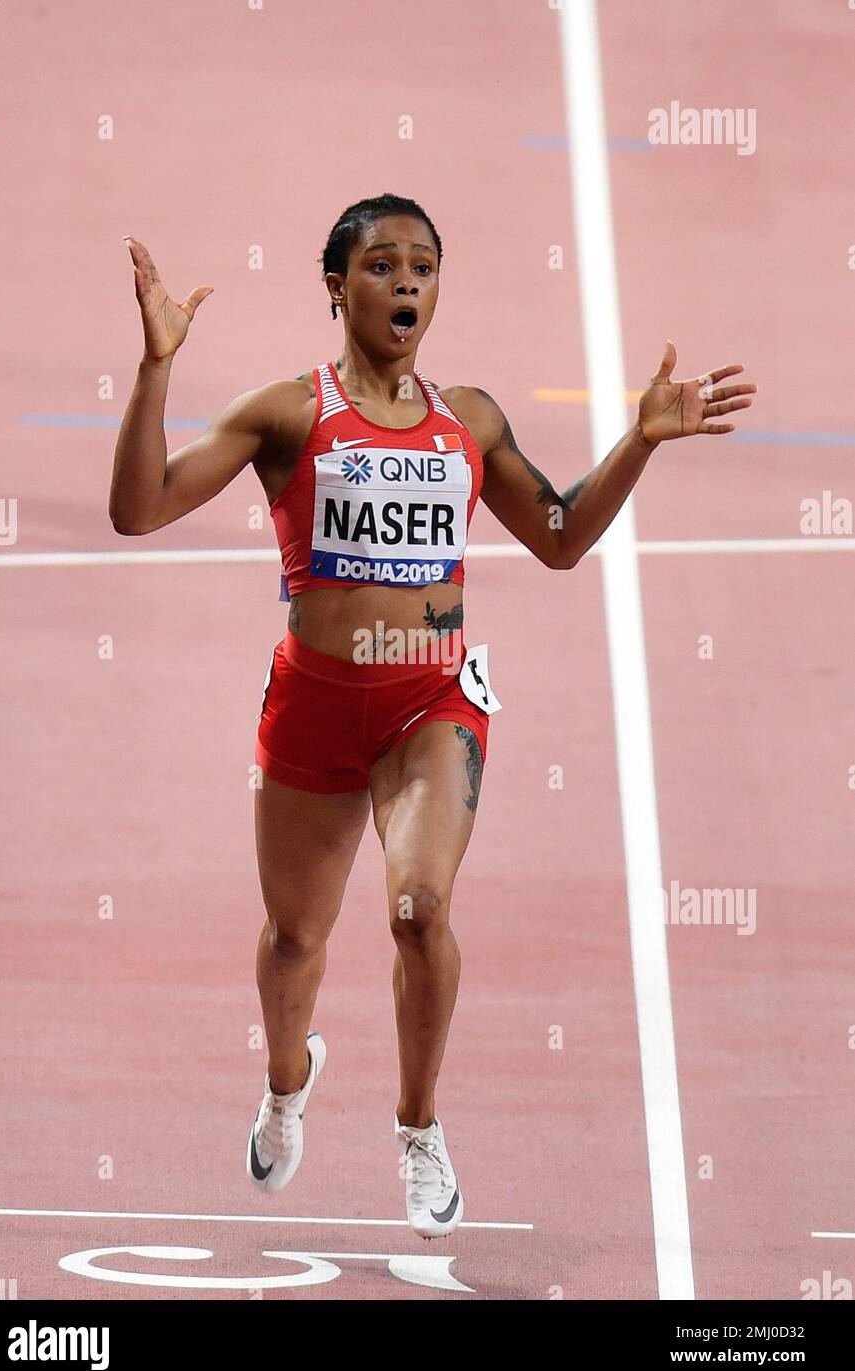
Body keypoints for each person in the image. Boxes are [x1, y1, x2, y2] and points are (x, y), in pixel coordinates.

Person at [110, 193, 755, 1239]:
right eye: (382, 265)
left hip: (431, 703)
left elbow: (556, 537)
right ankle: (286, 1084)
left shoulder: (472, 420)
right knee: (291, 943)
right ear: (337, 288)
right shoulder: (286, 414)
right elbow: (137, 508)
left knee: (419, 912)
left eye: (424, 265)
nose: (407, 280)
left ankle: (418, 1126)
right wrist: (155, 367)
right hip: (314, 713)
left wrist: (639, 443)